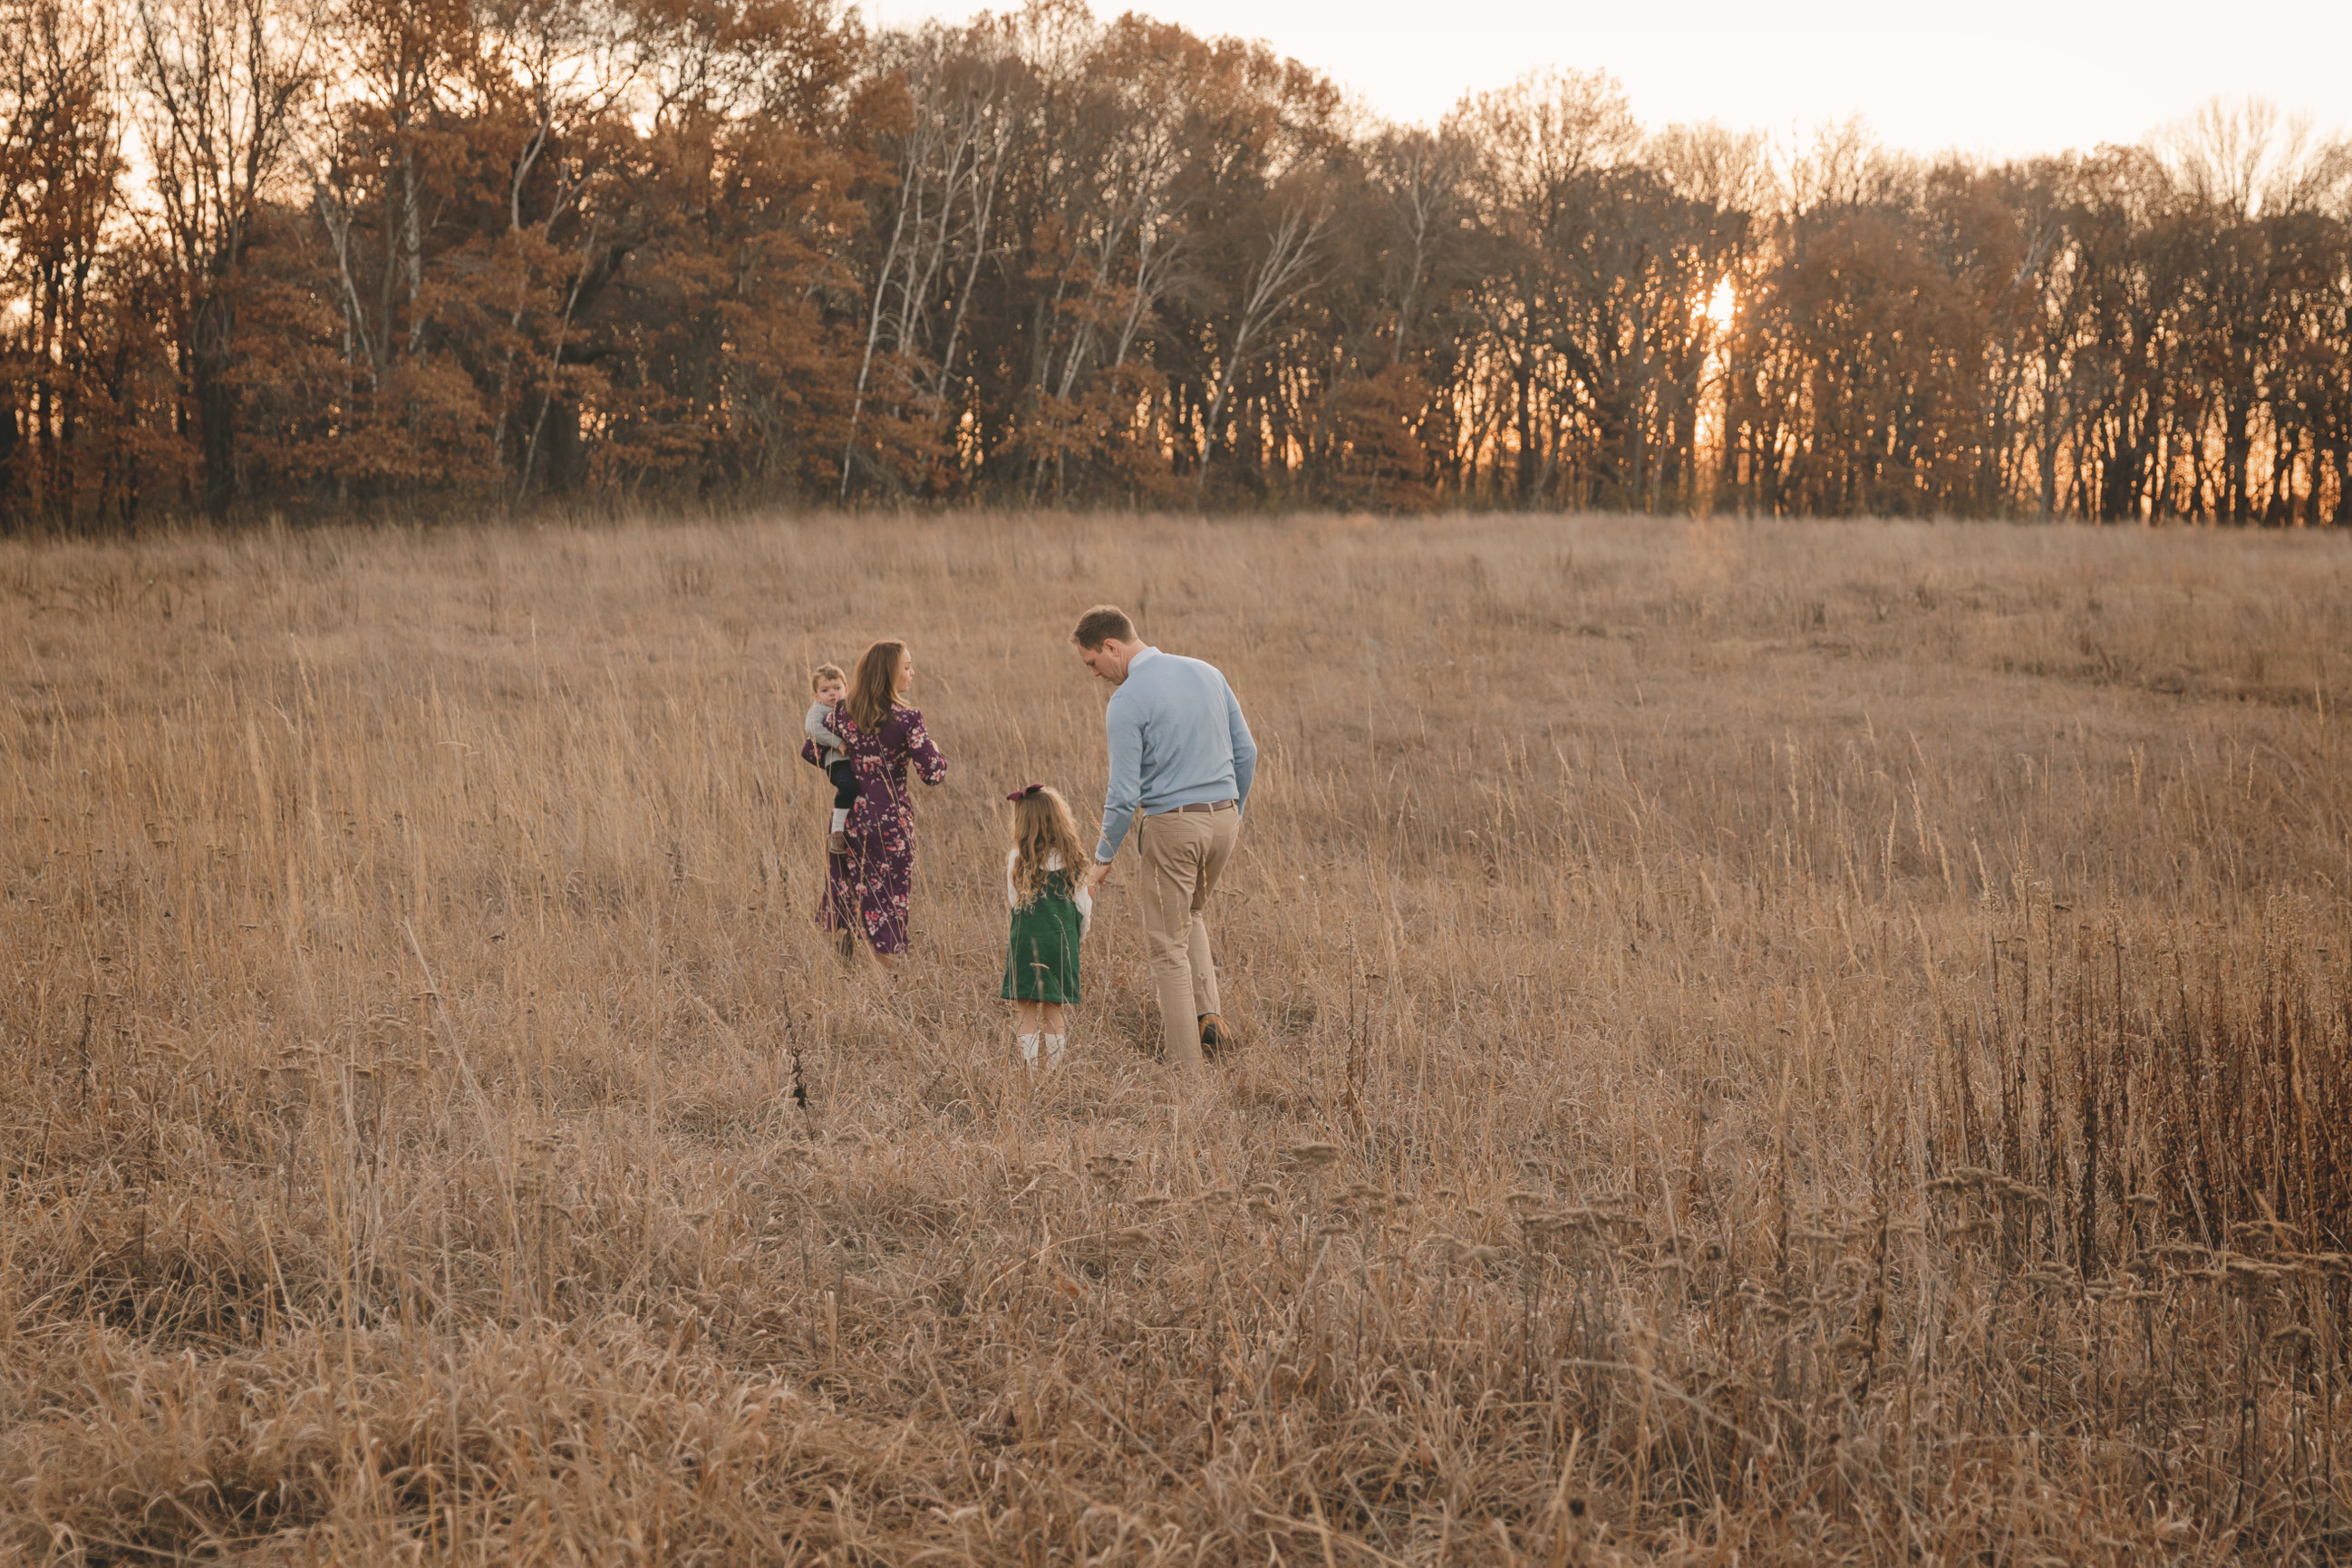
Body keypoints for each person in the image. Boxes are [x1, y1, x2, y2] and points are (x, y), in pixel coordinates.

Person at [1071, 605, 1256, 1072]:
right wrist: (1235, 810)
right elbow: (1247, 752)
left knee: (1166, 946)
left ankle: (1186, 1070)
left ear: (1112, 646)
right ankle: (1208, 1015)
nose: (1094, 674)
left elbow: (1123, 792)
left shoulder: (1128, 700)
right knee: (1190, 913)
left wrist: (1104, 855)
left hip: (1172, 825)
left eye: (1092, 663)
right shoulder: (1207, 671)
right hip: (1223, 820)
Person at [803, 640, 945, 971]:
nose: (912, 672)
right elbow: (933, 773)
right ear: (889, 674)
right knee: (888, 900)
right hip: (890, 822)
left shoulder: (843, 713)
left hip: (850, 818)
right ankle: (884, 978)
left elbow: (811, 748)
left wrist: (842, 767)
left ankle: (855, 973)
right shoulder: (908, 719)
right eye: (906, 667)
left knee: (854, 895)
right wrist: (935, 749)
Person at [1000, 784, 1093, 1071]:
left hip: (1025, 943)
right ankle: (1053, 1071)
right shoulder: (1073, 860)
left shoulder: (1017, 860)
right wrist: (1078, 937)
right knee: (1054, 1008)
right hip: (1060, 944)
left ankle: (1030, 1069)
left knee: (1025, 1007)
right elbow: (1083, 908)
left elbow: (1014, 904)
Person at [804, 663, 858, 854]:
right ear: (816, 696)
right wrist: (838, 743)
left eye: (837, 688)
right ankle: (837, 831)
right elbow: (812, 729)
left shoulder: (849, 706)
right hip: (836, 761)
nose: (833, 694)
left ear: (846, 688)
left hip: (853, 760)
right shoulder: (819, 710)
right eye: (825, 690)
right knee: (848, 786)